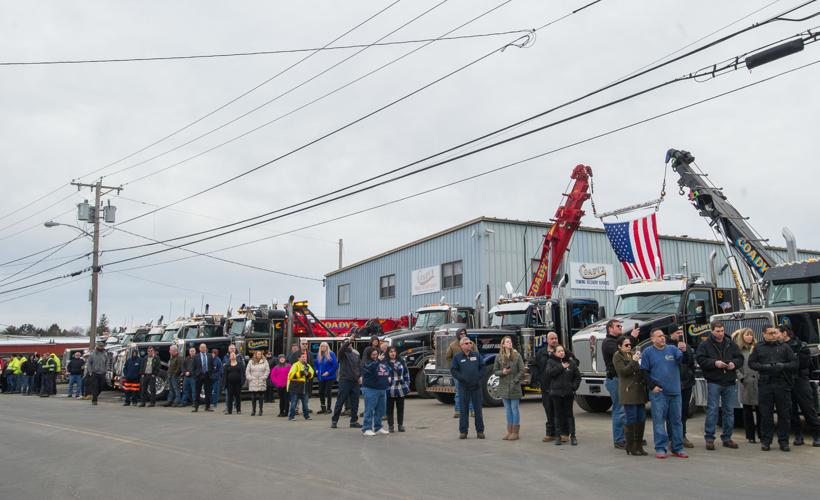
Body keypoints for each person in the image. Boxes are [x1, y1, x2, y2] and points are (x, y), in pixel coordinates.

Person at [695, 320, 744, 450]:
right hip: (714, 381)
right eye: (717, 331)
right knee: (712, 410)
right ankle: (709, 438)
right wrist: (714, 363)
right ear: (712, 331)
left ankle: (727, 438)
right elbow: (700, 359)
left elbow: (740, 358)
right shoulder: (705, 344)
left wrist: (734, 364)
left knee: (729, 411)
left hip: (729, 381)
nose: (720, 333)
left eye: (722, 330)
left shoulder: (730, 343)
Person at [640, 329, 687, 459]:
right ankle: (661, 448)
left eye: (663, 336)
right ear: (652, 339)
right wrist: (652, 386)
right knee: (659, 421)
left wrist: (683, 350)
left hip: (675, 392)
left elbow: (683, 360)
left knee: (677, 421)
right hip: (659, 393)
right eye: (659, 336)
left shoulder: (672, 349)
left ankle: (677, 447)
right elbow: (644, 372)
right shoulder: (647, 352)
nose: (662, 338)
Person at [749, 326, 797, 451]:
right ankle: (766, 441)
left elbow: (794, 363)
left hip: (782, 384)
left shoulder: (784, 347)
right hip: (766, 384)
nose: (773, 335)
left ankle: (784, 441)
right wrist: (764, 367)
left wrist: (782, 366)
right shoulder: (758, 347)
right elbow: (751, 363)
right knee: (766, 415)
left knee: (784, 414)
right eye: (770, 333)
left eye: (775, 333)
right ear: (764, 334)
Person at [602, 319, 639, 449]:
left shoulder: (617, 341)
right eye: (617, 326)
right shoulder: (608, 343)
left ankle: (630, 437)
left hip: (623, 379)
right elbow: (623, 353)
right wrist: (632, 339)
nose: (620, 327)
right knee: (619, 409)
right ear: (610, 329)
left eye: (620, 325)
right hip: (615, 379)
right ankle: (619, 439)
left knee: (627, 409)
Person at [780, 325, 820, 447]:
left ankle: (817, 436)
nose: (775, 335)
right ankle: (798, 436)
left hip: (800, 381)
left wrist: (785, 365)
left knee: (808, 409)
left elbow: (803, 364)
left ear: (785, 333)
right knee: (791, 411)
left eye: (777, 332)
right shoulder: (778, 347)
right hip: (785, 381)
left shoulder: (801, 345)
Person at [613, 335, 647, 456]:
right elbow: (623, 372)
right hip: (628, 391)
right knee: (631, 418)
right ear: (619, 346)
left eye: (630, 345)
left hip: (638, 390)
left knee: (641, 417)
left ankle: (639, 445)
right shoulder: (617, 356)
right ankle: (631, 445)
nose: (629, 347)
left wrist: (639, 361)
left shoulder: (632, 354)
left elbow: (640, 370)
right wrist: (634, 361)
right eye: (626, 345)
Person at [451, 335, 485, 439]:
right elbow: (453, 370)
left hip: (476, 386)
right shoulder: (457, 357)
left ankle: (480, 431)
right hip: (464, 387)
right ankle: (463, 432)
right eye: (466, 343)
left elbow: (483, 367)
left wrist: (478, 377)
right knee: (463, 410)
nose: (469, 344)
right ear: (461, 346)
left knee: (478, 410)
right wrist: (461, 378)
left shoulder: (476, 355)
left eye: (470, 343)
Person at [547, 345, 581, 446]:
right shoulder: (551, 362)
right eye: (559, 351)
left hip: (568, 393)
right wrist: (561, 367)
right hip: (556, 393)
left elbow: (577, 377)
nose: (561, 352)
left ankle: (573, 436)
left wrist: (573, 387)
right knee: (557, 415)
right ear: (555, 353)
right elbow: (550, 373)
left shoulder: (571, 363)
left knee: (569, 415)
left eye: (562, 351)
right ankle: (558, 436)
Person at [493, 336, 524, 441]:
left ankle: (515, 432)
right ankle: (509, 432)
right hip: (504, 387)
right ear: (503, 344)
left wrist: (515, 380)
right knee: (507, 410)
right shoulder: (499, 357)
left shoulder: (517, 356)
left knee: (515, 409)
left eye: (510, 342)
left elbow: (522, 370)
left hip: (514, 386)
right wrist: (503, 372)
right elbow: (495, 371)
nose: (509, 343)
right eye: (507, 342)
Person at [733, 328, 760, 444]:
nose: (749, 337)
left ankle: (762, 434)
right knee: (747, 411)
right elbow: (735, 367)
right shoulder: (739, 351)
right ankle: (750, 436)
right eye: (747, 335)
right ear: (742, 337)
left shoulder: (758, 349)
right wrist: (741, 377)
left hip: (758, 382)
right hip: (746, 383)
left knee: (761, 411)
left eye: (751, 335)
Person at [670, 326, 696, 448]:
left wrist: (685, 351)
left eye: (681, 332)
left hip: (686, 384)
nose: (680, 335)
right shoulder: (668, 347)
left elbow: (691, 363)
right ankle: (671, 438)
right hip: (673, 384)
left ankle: (682, 436)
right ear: (671, 334)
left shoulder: (687, 347)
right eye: (677, 333)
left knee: (683, 411)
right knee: (672, 413)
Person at [331, 334, 362, 429]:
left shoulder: (355, 354)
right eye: (346, 344)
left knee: (355, 402)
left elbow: (359, 366)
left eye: (349, 344)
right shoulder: (342, 354)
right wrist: (349, 340)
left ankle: (354, 421)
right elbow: (341, 349)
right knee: (340, 401)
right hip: (344, 380)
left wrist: (360, 376)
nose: (348, 345)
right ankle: (334, 421)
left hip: (355, 381)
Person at [534, 332, 559, 442]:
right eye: (552, 338)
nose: (554, 340)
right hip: (546, 387)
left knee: (559, 411)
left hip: (559, 387)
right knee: (549, 410)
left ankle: (561, 433)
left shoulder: (561, 351)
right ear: (547, 340)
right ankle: (550, 433)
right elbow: (532, 364)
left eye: (556, 338)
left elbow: (575, 362)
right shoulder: (541, 352)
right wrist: (538, 378)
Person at [446, 328, 477, 419]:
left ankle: (472, 410)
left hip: (470, 372)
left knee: (471, 391)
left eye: (464, 333)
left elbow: (477, 355)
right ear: (457, 335)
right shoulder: (453, 345)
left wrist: (474, 367)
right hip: (458, 373)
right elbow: (448, 357)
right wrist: (453, 367)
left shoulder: (471, 344)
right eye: (461, 334)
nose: (463, 335)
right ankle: (458, 411)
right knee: (459, 392)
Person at [361, 347, 390, 436]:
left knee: (380, 410)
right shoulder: (367, 363)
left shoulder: (382, 361)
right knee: (369, 409)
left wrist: (389, 377)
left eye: (376, 354)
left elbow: (388, 369)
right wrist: (377, 360)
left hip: (382, 389)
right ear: (369, 355)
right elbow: (371, 369)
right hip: (371, 389)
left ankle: (378, 427)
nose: (375, 356)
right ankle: (366, 428)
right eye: (373, 354)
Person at [386, 346, 410, 433]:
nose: (393, 353)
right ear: (388, 353)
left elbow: (406, 373)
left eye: (394, 351)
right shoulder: (385, 363)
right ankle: (390, 426)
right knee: (389, 408)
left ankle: (400, 425)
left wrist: (407, 383)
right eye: (391, 352)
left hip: (400, 387)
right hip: (389, 388)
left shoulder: (401, 361)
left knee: (400, 408)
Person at [287, 352, 314, 420]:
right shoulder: (295, 365)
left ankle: (306, 416)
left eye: (305, 357)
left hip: (304, 387)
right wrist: (301, 373)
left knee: (305, 404)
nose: (304, 358)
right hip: (295, 387)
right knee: (293, 403)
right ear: (299, 358)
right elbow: (291, 376)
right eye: (302, 357)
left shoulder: (307, 365)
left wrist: (308, 374)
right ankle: (291, 416)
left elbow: (312, 373)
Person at [314, 341, 338, 414]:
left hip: (329, 377)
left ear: (327, 347)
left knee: (328, 392)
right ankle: (323, 408)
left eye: (324, 346)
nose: (323, 347)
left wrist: (328, 372)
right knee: (321, 392)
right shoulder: (319, 355)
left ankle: (329, 409)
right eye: (321, 346)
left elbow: (335, 365)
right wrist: (316, 370)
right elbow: (316, 364)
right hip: (321, 377)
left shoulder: (331, 354)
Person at [246, 350, 271, 416]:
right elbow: (247, 371)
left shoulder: (265, 361)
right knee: (253, 397)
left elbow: (267, 370)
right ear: (255, 354)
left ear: (261, 355)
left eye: (260, 354)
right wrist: (250, 378)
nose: (259, 355)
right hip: (253, 380)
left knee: (261, 396)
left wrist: (264, 377)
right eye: (257, 354)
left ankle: (260, 410)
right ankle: (253, 410)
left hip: (261, 380)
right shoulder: (251, 361)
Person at [192, 343, 215, 412]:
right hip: (199, 375)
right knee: (197, 392)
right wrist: (195, 375)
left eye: (204, 347)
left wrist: (212, 374)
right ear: (199, 349)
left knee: (208, 392)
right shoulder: (196, 356)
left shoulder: (210, 355)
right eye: (201, 347)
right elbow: (193, 367)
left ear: (206, 348)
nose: (203, 349)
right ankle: (196, 407)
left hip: (207, 375)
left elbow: (212, 365)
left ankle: (207, 407)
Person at [222, 344, 245, 411]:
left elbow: (242, 368)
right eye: (231, 348)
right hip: (229, 383)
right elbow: (224, 367)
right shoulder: (225, 356)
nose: (232, 349)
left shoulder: (239, 356)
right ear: (229, 349)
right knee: (228, 396)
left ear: (235, 349)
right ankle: (228, 408)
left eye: (233, 348)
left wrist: (242, 381)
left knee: (237, 396)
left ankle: (236, 408)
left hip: (237, 382)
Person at [87, 341, 109, 406]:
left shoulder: (105, 354)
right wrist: (90, 371)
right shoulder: (92, 354)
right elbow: (89, 363)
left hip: (102, 372)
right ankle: (94, 400)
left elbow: (107, 362)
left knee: (102, 386)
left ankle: (95, 395)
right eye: (100, 346)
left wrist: (106, 370)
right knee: (95, 386)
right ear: (97, 346)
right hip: (94, 373)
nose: (101, 347)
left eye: (102, 346)